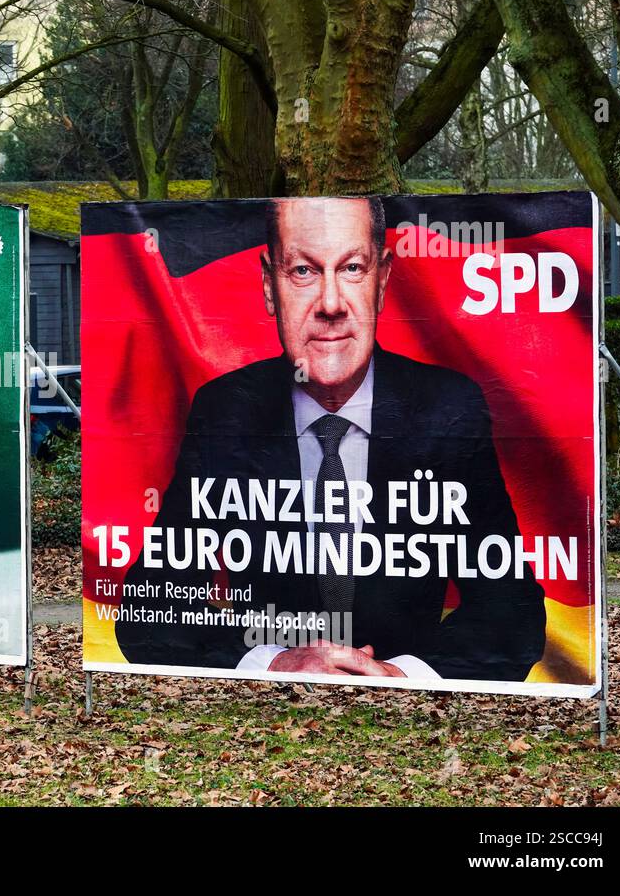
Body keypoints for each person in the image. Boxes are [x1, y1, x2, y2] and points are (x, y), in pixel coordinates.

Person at [115, 196, 545, 681]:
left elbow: (512, 615)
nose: (332, 303)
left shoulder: (447, 409)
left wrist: (400, 676)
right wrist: (274, 662)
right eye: (303, 271)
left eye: (353, 268)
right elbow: (148, 612)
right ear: (268, 284)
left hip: (408, 726)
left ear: (382, 279)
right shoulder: (226, 410)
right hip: (265, 716)